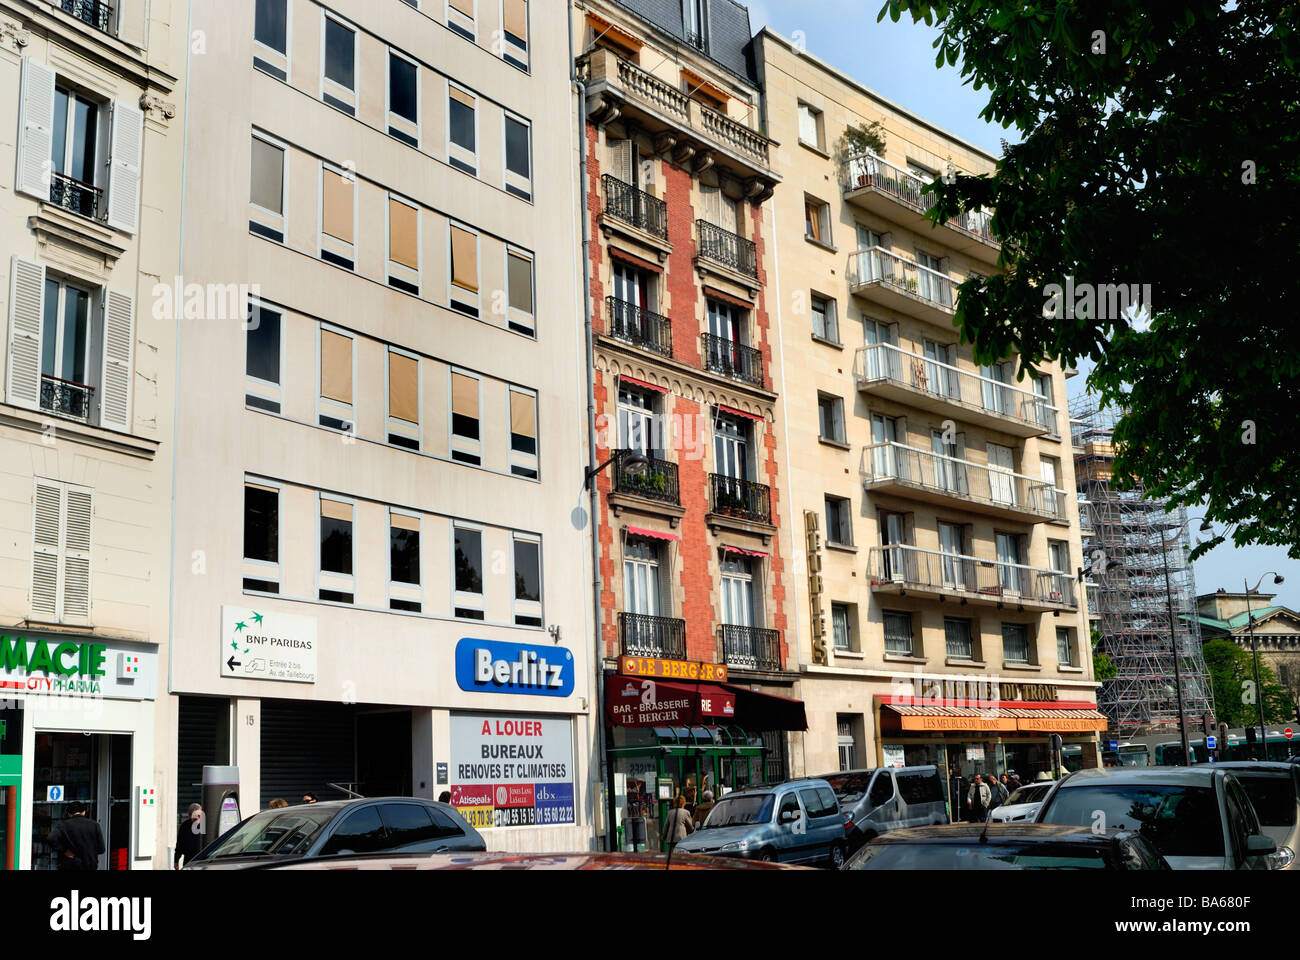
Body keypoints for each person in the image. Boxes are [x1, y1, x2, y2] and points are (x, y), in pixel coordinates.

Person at [48, 801, 105, 871]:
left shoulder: (64, 825)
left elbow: (51, 838)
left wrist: (64, 850)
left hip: (71, 863)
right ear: (84, 812)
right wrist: (89, 852)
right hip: (90, 864)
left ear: (68, 813)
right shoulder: (94, 825)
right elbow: (102, 849)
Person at [174, 803, 204, 868]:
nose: (197, 818)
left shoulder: (206, 824)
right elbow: (179, 845)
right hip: (189, 860)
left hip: (203, 860)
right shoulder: (185, 826)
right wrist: (176, 860)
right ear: (190, 815)